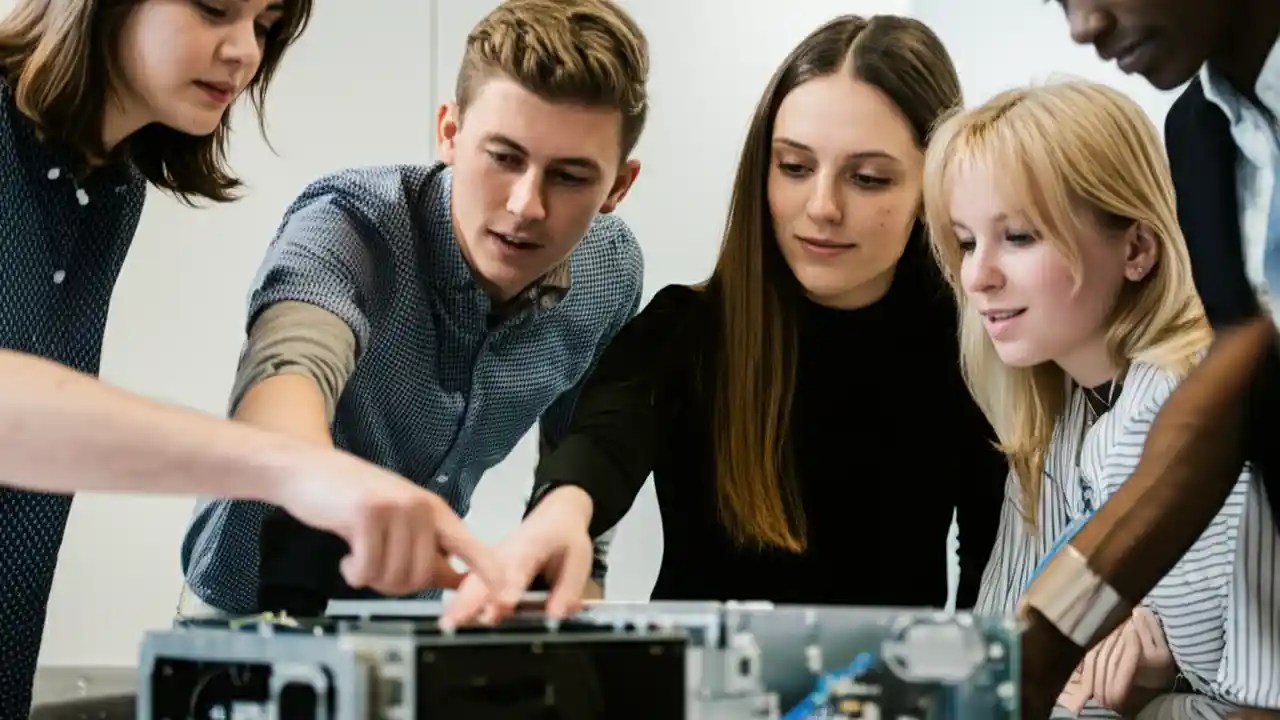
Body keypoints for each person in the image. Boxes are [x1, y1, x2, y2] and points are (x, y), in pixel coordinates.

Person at [0, 0, 507, 716]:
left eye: (265, 25)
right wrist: (295, 468)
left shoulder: (113, 184)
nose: (244, 51)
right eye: (214, 9)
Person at [443, 13, 1008, 626]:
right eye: (794, 167)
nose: (822, 207)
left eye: (868, 179)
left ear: (933, 185)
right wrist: (563, 508)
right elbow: (604, 442)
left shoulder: (977, 351)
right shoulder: (686, 329)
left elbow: (992, 563)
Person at [177, 0, 650, 619]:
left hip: (419, 612)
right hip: (246, 600)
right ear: (449, 133)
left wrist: (580, 578)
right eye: (504, 157)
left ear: (619, 185)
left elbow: (582, 449)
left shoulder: (609, 269)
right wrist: (323, 479)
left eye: (570, 177)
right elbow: (286, 368)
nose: (526, 205)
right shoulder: (349, 222)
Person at [922, 79, 1279, 717]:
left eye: (1020, 236)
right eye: (967, 242)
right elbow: (1004, 659)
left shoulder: (1189, 407)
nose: (977, 276)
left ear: (1136, 248)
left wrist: (1136, 698)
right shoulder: (1059, 418)